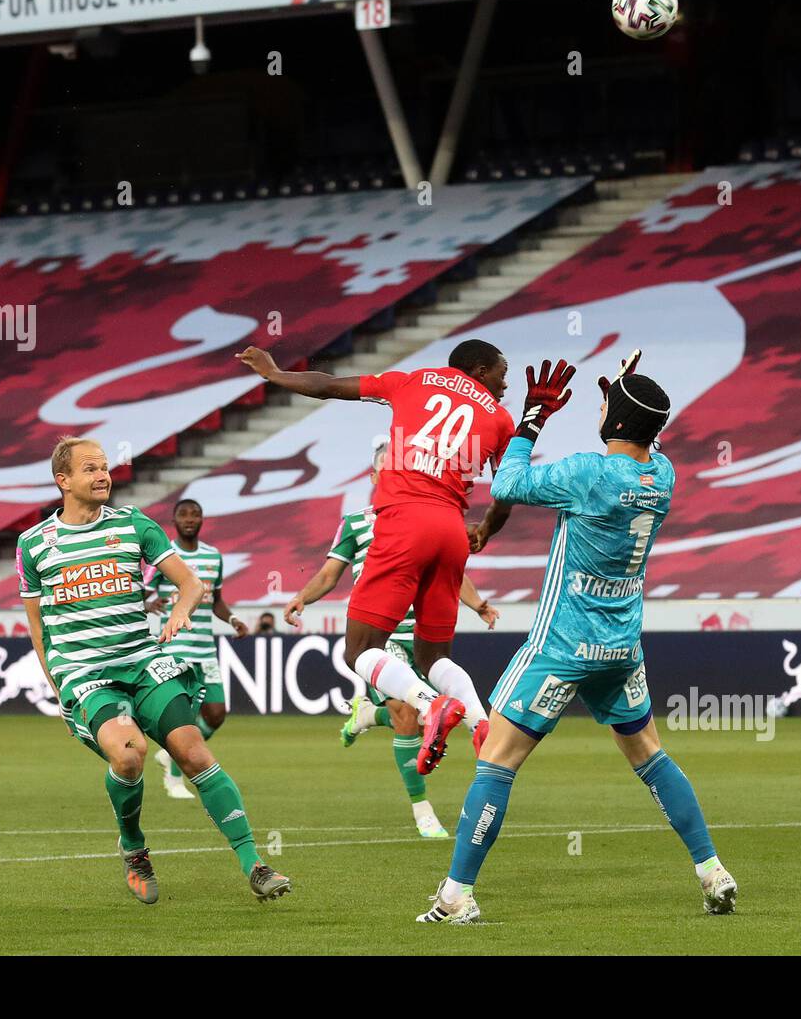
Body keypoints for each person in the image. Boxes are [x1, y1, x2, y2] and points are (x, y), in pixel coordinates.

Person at [417, 353, 737, 924]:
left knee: (496, 763)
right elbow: (645, 441)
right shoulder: (661, 477)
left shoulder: (588, 474)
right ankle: (712, 870)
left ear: (614, 422)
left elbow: (510, 482)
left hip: (562, 645)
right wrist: (621, 397)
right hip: (621, 647)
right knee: (652, 757)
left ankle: (456, 895)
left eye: (606, 405)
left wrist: (533, 418)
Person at [17, 435, 290, 905]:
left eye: (104, 466)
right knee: (129, 755)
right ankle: (133, 846)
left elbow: (192, 583)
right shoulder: (34, 544)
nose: (102, 475)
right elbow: (39, 630)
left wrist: (181, 609)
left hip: (142, 662)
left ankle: (255, 864)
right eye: (89, 469)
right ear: (63, 480)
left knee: (194, 753)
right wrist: (59, 687)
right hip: (86, 674)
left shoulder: (133, 524)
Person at [238, 339, 515, 774]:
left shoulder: (412, 381)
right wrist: (483, 531)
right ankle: (482, 728)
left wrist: (275, 375)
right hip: (452, 530)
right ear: (479, 370)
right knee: (434, 657)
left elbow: (330, 386)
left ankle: (431, 705)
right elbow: (506, 494)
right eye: (501, 373)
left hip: (405, 520)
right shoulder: (500, 419)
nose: (505, 384)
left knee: (359, 652)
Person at [284, 438, 502, 838]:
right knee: (407, 716)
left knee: (419, 717)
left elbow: (451, 571)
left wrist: (479, 605)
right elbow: (331, 573)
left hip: (422, 633)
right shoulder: (355, 524)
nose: (394, 472)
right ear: (373, 475)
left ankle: (368, 714)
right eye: (386, 467)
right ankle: (423, 810)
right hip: (379, 634)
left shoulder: (428, 517)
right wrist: (302, 596)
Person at [144, 498, 249, 800]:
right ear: (173, 520)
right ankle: (175, 781)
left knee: (216, 714)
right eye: (183, 514)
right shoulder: (164, 556)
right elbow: (137, 588)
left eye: (195, 514)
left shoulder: (213, 557)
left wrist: (232, 619)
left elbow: (215, 600)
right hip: (176, 649)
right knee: (185, 718)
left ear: (203, 519)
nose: (190, 519)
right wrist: (147, 603)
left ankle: (171, 753)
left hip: (206, 648)